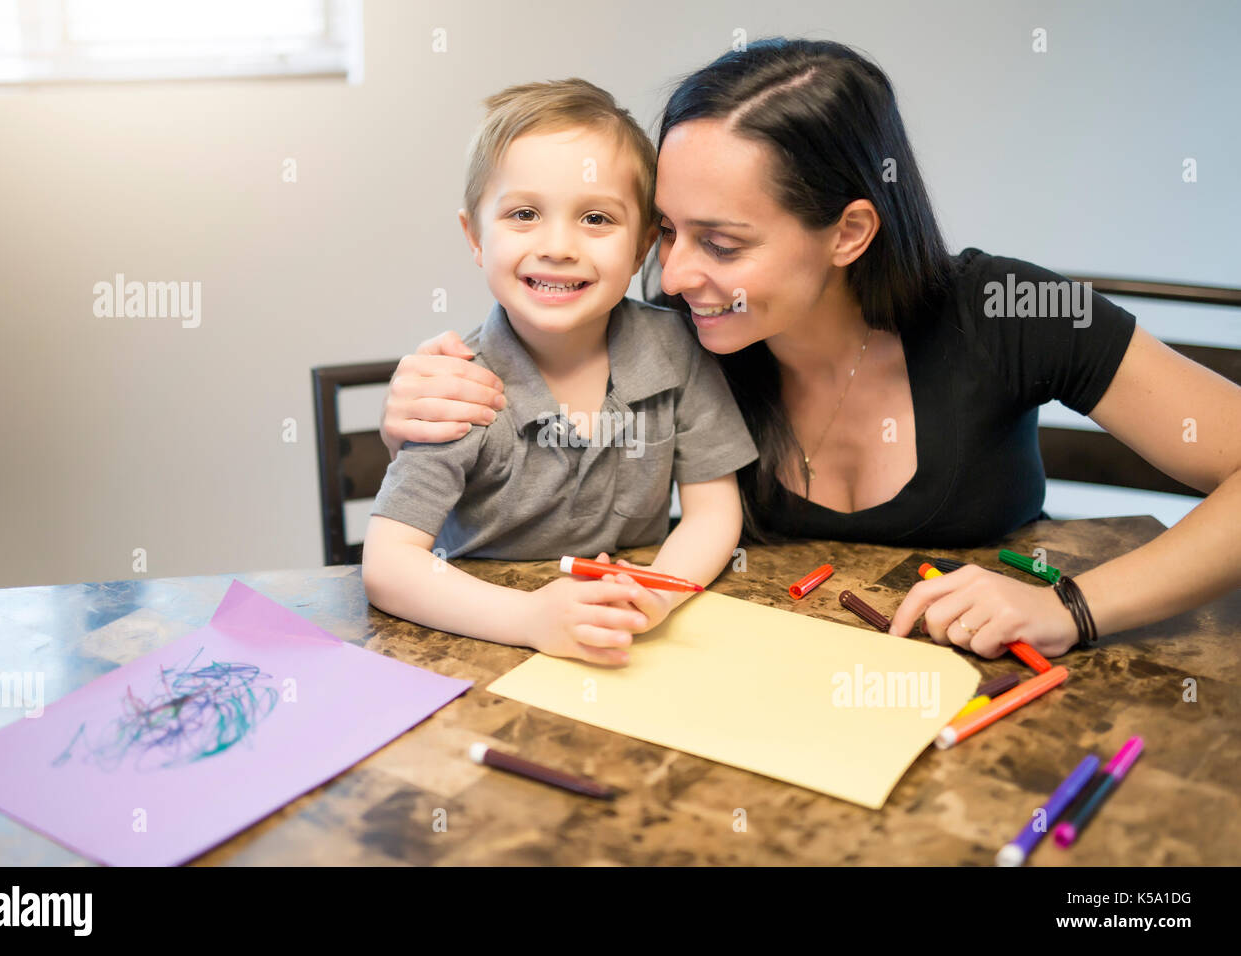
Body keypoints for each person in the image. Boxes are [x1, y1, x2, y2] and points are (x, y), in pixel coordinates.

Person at [377, 38, 1241, 661]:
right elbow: (538, 383)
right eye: (666, 232)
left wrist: (1072, 606)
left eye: (721, 242)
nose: (671, 276)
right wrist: (419, 408)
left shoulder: (1009, 310)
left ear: (849, 232)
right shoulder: (680, 330)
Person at [362, 79, 758, 667]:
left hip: (626, 637)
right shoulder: (454, 385)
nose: (558, 246)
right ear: (475, 236)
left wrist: (658, 593)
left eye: (596, 218)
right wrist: (527, 618)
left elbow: (713, 510)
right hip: (484, 638)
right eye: (524, 214)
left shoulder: (677, 348)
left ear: (644, 246)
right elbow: (389, 567)